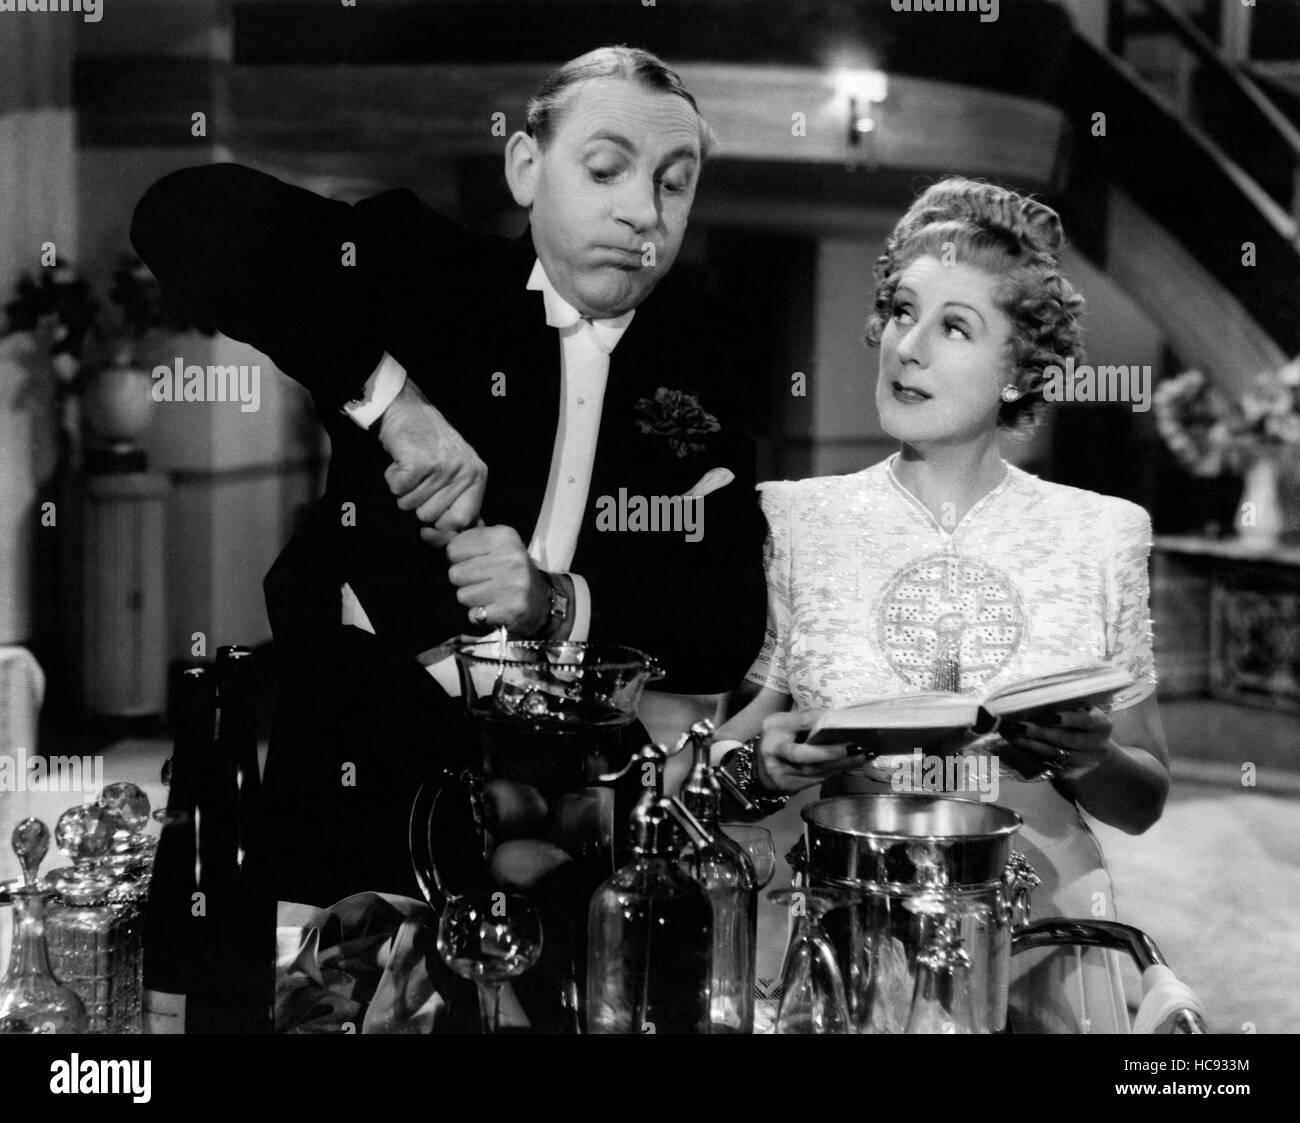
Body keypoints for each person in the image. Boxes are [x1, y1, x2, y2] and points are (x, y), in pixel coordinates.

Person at [131, 47, 767, 911]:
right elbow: (181, 215)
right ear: (526, 167)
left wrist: (556, 601)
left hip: (571, 814)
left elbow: (724, 628)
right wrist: (393, 400)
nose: (640, 212)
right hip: (360, 780)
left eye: (675, 182)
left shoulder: (710, 366)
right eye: (606, 169)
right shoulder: (422, 274)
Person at [714, 177, 1170, 1033]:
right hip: (853, 937)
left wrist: (1083, 756)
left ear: (1020, 372)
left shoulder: (1101, 532)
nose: (905, 346)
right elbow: (718, 768)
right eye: (899, 311)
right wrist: (757, 770)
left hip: (1045, 943)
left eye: (954, 326)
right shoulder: (799, 518)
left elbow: (1143, 798)